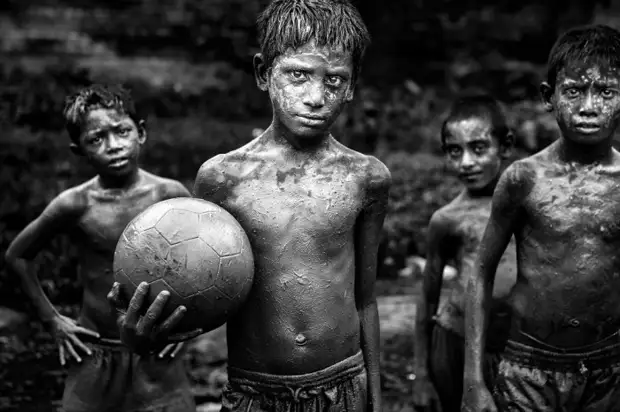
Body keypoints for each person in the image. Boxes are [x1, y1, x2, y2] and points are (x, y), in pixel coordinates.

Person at [107, 1, 391, 411]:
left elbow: (366, 300)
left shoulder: (366, 177)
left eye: (334, 80)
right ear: (263, 73)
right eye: (297, 75)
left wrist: (376, 402)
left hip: (342, 386)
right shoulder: (223, 177)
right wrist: (142, 334)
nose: (315, 97)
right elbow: (194, 283)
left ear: (351, 86)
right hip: (254, 392)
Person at [4, 84, 196, 412]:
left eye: (122, 131)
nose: (113, 146)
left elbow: (204, 266)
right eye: (96, 139)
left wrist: (189, 329)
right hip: (94, 351)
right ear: (78, 150)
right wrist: (53, 321)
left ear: (141, 133)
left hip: (155, 353)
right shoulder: (75, 204)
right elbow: (18, 255)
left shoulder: (168, 195)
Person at [461, 24, 620, 412]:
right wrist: (473, 380)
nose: (588, 106)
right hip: (528, 371)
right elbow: (480, 274)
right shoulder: (523, 180)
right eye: (574, 91)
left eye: (605, 91)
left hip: (610, 371)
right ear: (549, 97)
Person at [411, 95, 517, 412]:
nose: (466, 162)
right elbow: (427, 299)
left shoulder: (528, 206)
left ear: (506, 146)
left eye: (478, 148)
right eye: (455, 151)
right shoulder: (447, 219)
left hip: (515, 344)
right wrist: (420, 375)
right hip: (455, 341)